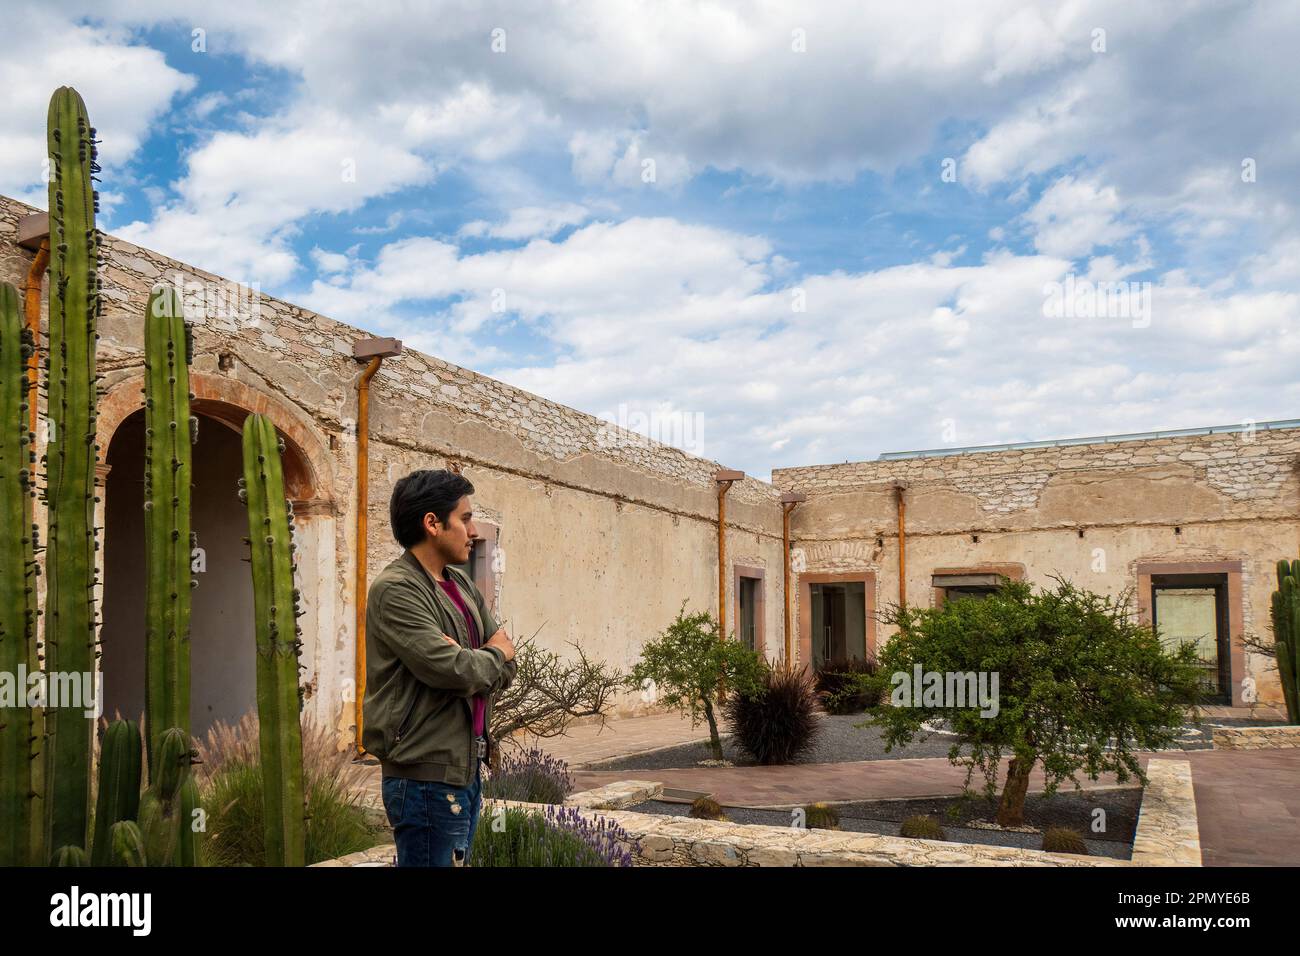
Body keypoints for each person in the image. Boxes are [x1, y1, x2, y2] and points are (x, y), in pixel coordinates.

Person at [362, 469, 516, 866]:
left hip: (464, 768)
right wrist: (485, 657)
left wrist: (477, 659)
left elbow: (504, 661)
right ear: (432, 523)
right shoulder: (397, 589)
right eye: (464, 519)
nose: (472, 530)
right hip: (423, 777)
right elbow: (455, 670)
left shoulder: (461, 585)